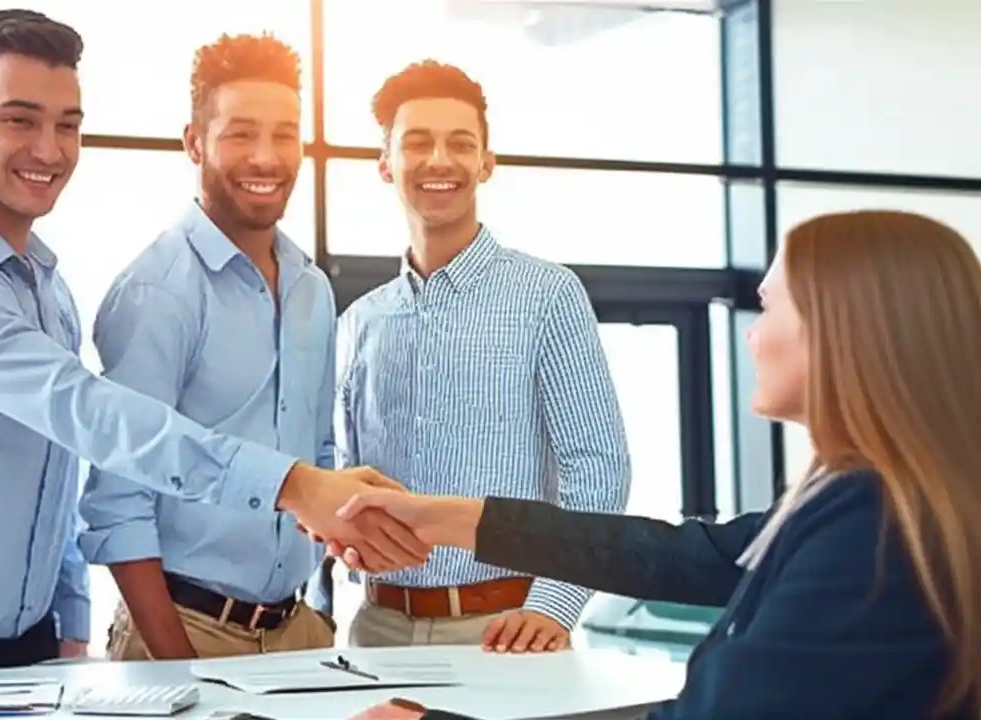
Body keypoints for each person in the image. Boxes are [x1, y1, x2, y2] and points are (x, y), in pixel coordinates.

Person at [0, 10, 420, 679]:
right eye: (20, 120)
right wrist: (290, 485)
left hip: (30, 648)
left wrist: (70, 627)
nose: (49, 150)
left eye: (67, 125)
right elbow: (93, 417)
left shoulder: (45, 287)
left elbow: (54, 477)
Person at [343, 210, 981, 719]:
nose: (752, 335)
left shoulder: (874, 528)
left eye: (771, 305)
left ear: (844, 329)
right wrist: (442, 517)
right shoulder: (883, 502)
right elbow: (680, 554)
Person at [335, 60, 630, 653]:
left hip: (507, 629)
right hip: (376, 630)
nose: (439, 160)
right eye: (417, 143)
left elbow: (598, 471)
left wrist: (555, 606)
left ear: (485, 164)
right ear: (385, 164)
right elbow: (342, 477)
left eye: (460, 144)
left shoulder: (547, 295)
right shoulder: (359, 321)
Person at [79, 33, 354, 660]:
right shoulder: (157, 292)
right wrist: (181, 670)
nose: (266, 157)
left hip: (299, 632)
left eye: (285, 134)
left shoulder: (312, 289)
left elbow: (318, 451)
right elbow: (119, 503)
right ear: (194, 142)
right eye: (239, 134)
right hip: (184, 633)